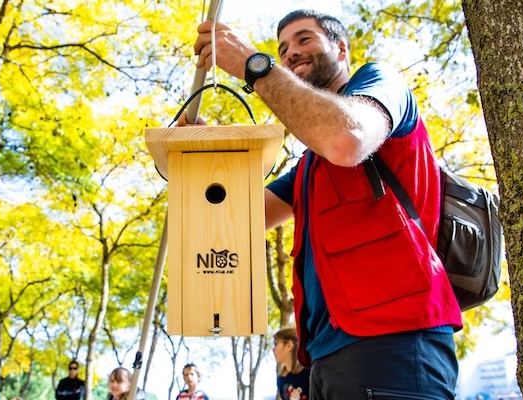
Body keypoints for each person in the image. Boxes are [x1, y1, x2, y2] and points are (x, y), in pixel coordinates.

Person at [187, 9, 463, 400]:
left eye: (304, 39)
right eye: (282, 49)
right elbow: (238, 216)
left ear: (341, 47)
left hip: (394, 343)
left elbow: (346, 137)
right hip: (324, 356)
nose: (291, 53)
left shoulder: (381, 82)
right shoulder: (308, 168)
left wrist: (254, 65)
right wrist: (197, 159)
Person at [273, 327, 308, 400]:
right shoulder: (281, 379)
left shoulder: (310, 372)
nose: (273, 349)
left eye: (276, 344)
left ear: (289, 345)